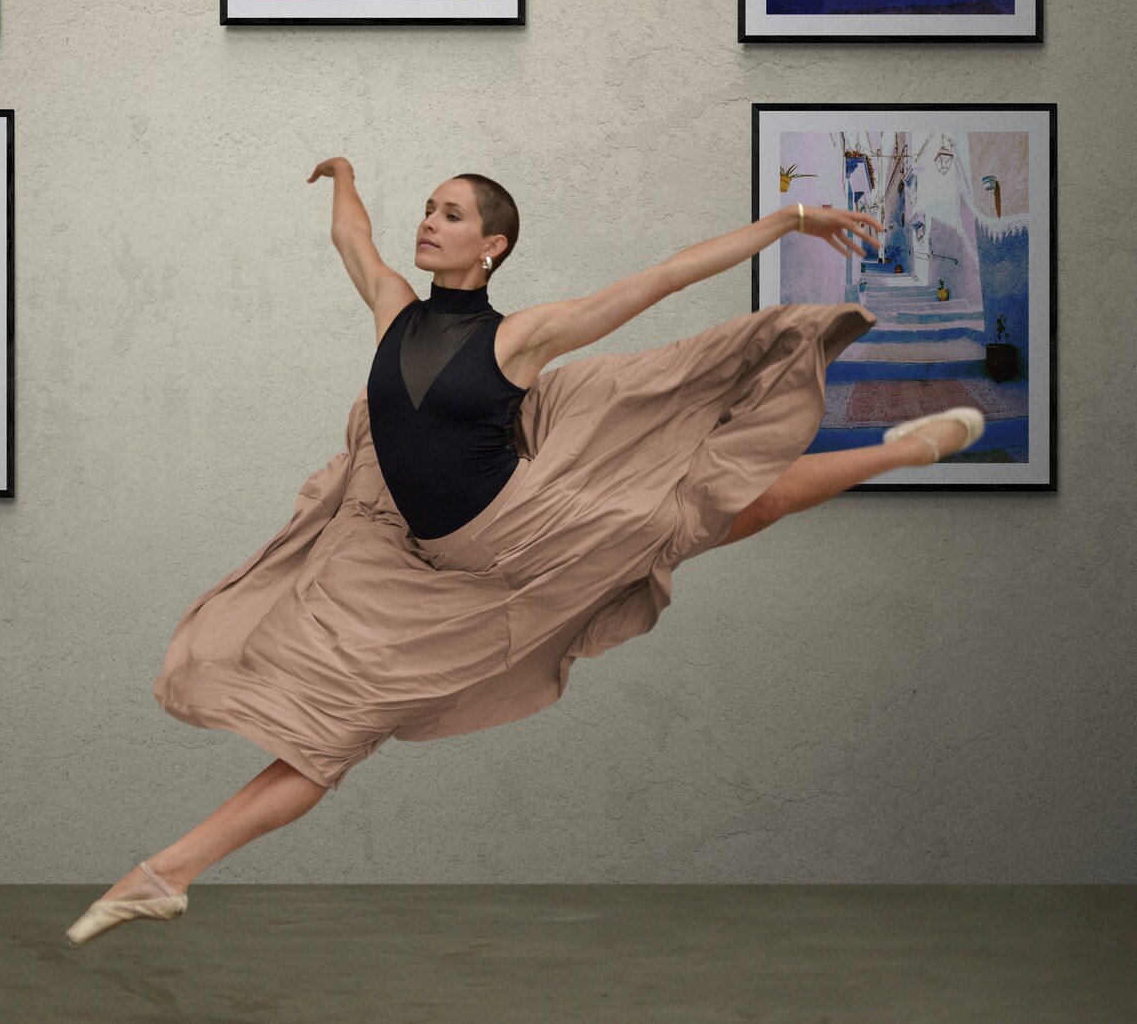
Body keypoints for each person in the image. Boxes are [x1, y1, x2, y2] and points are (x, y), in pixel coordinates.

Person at [66, 161, 982, 947]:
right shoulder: (393, 314)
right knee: (336, 727)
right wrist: (344, 174)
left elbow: (663, 277)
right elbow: (353, 242)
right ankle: (166, 873)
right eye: (427, 207)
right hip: (426, 566)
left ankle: (903, 449)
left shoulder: (519, 335)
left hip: (534, 530)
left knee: (714, 510)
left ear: (491, 246)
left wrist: (788, 219)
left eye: (451, 213)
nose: (429, 222)